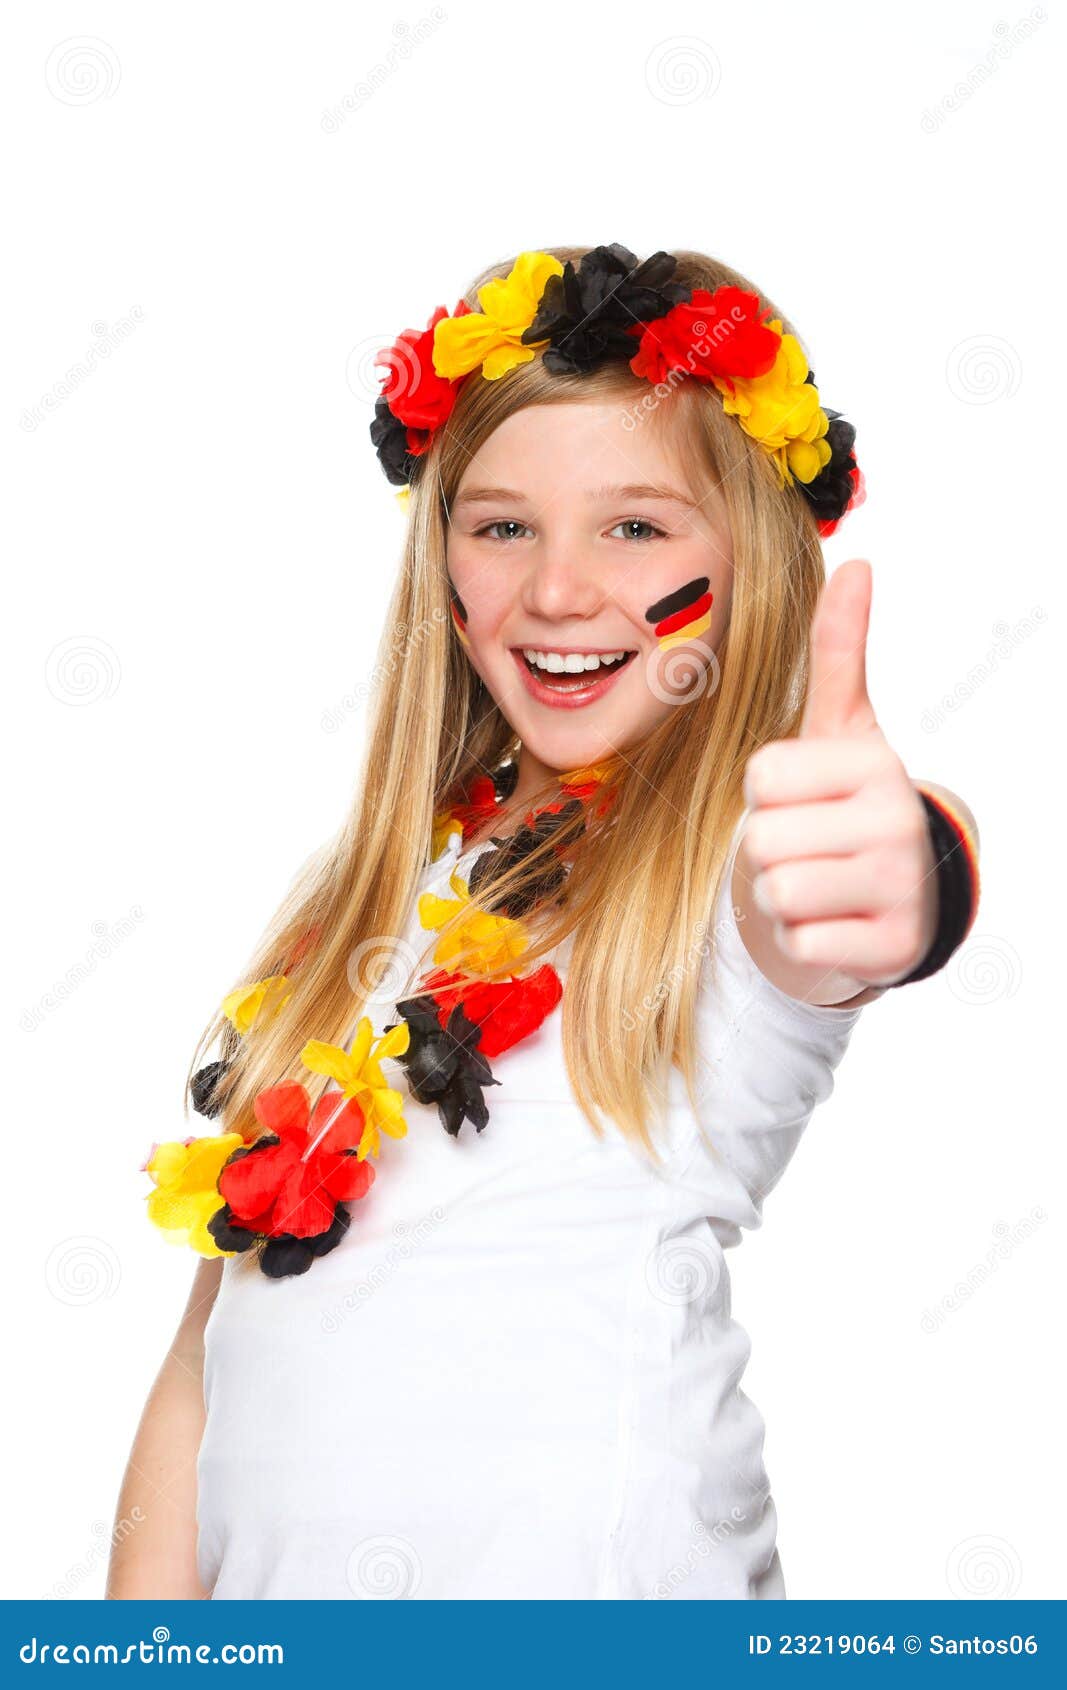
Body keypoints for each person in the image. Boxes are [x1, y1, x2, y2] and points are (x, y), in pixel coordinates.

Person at [108, 244, 980, 1600]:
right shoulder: (388, 890)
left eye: (636, 527)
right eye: (502, 526)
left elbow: (832, 901)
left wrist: (908, 862)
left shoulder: (725, 865)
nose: (559, 590)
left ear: (746, 558)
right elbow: (205, 1360)